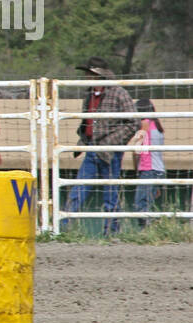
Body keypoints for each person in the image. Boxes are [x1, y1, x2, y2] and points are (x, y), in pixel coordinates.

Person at [64, 56, 137, 234]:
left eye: (90, 73)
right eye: (88, 74)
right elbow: (88, 121)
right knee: (79, 189)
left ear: (99, 75)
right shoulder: (89, 94)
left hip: (110, 151)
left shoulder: (118, 93)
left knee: (110, 192)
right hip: (92, 149)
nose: (87, 77)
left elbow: (133, 122)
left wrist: (111, 141)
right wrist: (85, 138)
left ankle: (111, 231)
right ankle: (65, 227)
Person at [127, 98, 165, 226]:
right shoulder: (158, 127)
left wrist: (135, 170)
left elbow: (137, 149)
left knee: (140, 205)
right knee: (146, 204)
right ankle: (150, 228)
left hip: (148, 170)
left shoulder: (144, 124)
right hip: (159, 170)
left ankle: (147, 230)